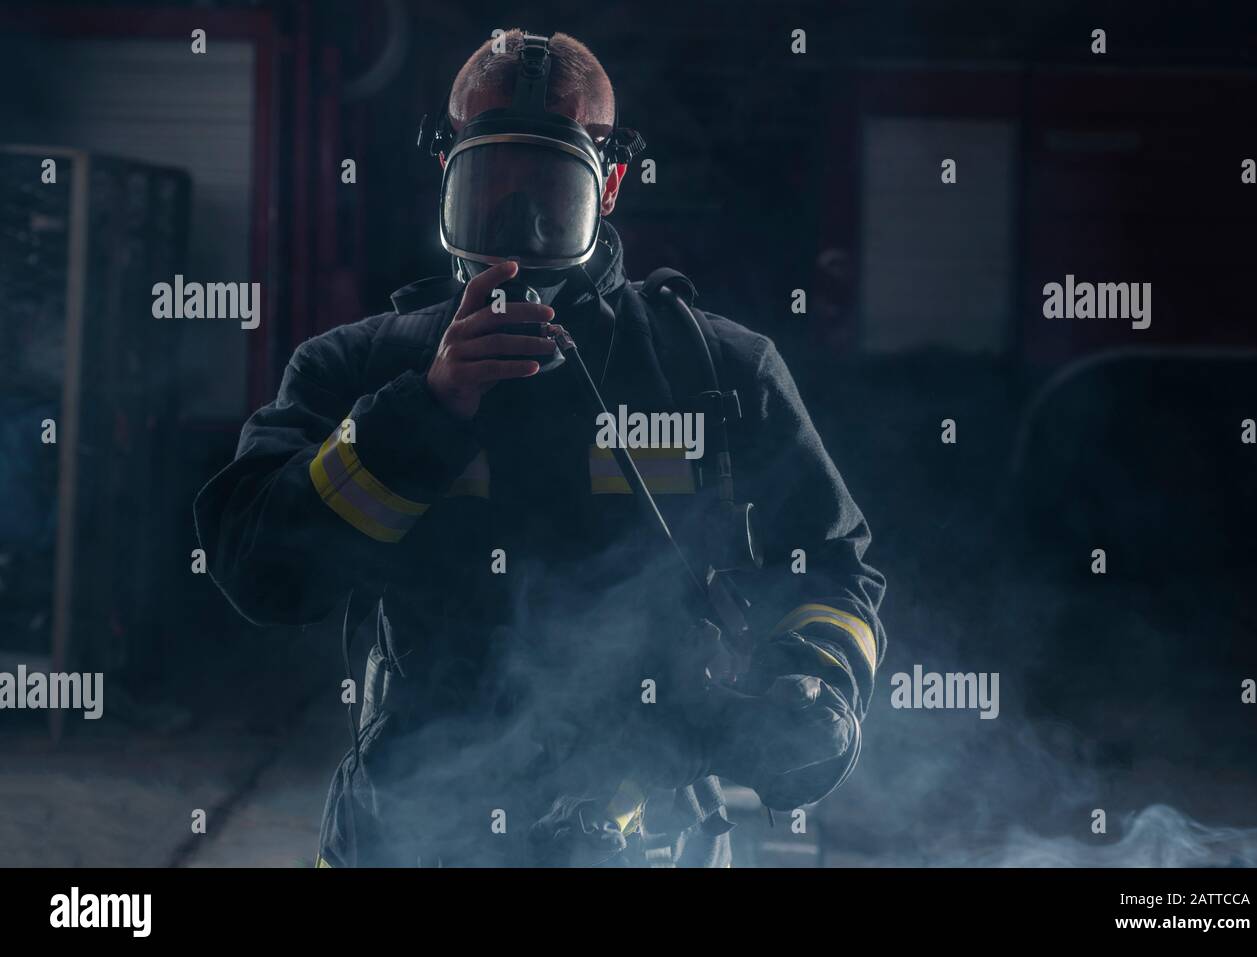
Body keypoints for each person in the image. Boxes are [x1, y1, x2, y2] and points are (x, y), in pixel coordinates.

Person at [194, 29, 886, 868]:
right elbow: (256, 570)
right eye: (491, 192)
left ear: (611, 186)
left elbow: (834, 563)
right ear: (444, 181)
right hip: (408, 837)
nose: (515, 238)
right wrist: (423, 415)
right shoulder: (359, 367)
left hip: (645, 838)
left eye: (549, 197)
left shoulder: (716, 371)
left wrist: (814, 686)